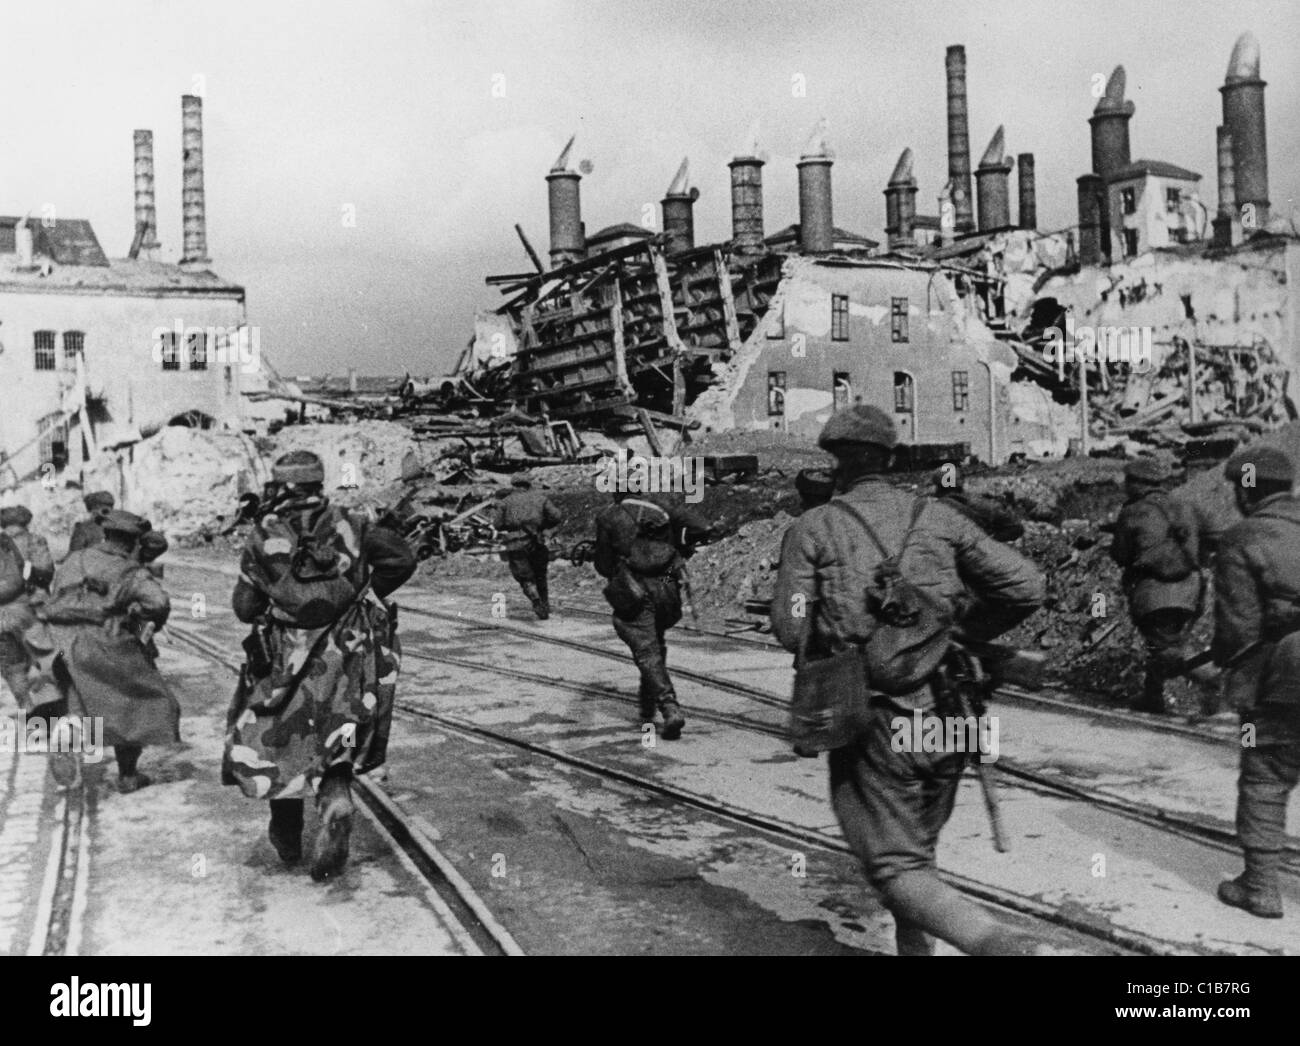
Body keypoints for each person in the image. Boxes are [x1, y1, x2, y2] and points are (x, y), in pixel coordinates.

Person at [771, 405, 1046, 956]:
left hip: (876, 716)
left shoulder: (813, 528)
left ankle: (999, 946)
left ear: (834, 462)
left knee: (895, 862)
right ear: (891, 458)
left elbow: (789, 624)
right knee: (918, 847)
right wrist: (951, 630)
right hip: (951, 708)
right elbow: (1026, 586)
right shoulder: (939, 518)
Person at [223, 451, 416, 881]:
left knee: (275, 739)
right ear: (318, 482)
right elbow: (401, 560)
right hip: (346, 648)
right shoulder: (351, 522)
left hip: (285, 655)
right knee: (339, 732)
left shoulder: (265, 534)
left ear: (281, 485)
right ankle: (335, 798)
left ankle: (287, 831)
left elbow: (244, 606)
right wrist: (363, 594)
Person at [1212, 445, 1300, 918]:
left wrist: (1231, 677)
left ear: (1246, 492)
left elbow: (1237, 630)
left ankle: (1261, 888)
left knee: (1266, 774)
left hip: (1287, 682)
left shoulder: (1244, 537)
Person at [31, 509, 179, 791]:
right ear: (132, 542)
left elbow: (57, 591)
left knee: (79, 697)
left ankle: (69, 737)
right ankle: (128, 775)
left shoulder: (76, 558)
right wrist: (142, 620)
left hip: (58, 641)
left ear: (106, 534)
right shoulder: (129, 570)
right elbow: (158, 603)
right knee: (135, 701)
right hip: (104, 640)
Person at [592, 464, 713, 739]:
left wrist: (622, 568)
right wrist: (677, 550)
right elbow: (704, 527)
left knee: (646, 650)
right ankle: (647, 703)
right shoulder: (662, 507)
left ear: (616, 489)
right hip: (668, 585)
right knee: (654, 642)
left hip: (635, 590)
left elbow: (602, 564)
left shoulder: (609, 516)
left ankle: (670, 709)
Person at [1107, 458, 1205, 714]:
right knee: (1164, 644)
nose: (1125, 486)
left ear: (1138, 483)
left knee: (1166, 650)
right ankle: (1153, 696)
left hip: (1154, 592)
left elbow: (1120, 554)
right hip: (1192, 588)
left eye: (1128, 482)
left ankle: (1213, 679)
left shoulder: (1133, 511)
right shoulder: (1184, 504)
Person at [489, 475, 562, 619]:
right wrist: (542, 526)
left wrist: (511, 525)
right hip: (537, 541)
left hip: (516, 543)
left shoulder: (505, 502)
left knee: (524, 576)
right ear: (528, 484)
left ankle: (534, 596)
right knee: (540, 575)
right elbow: (556, 516)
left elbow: (497, 524)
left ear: (513, 485)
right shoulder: (541, 498)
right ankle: (545, 607)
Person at [930, 464, 1024, 542]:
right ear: (960, 483)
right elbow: (1017, 528)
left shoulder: (932, 509)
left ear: (937, 487)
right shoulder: (982, 504)